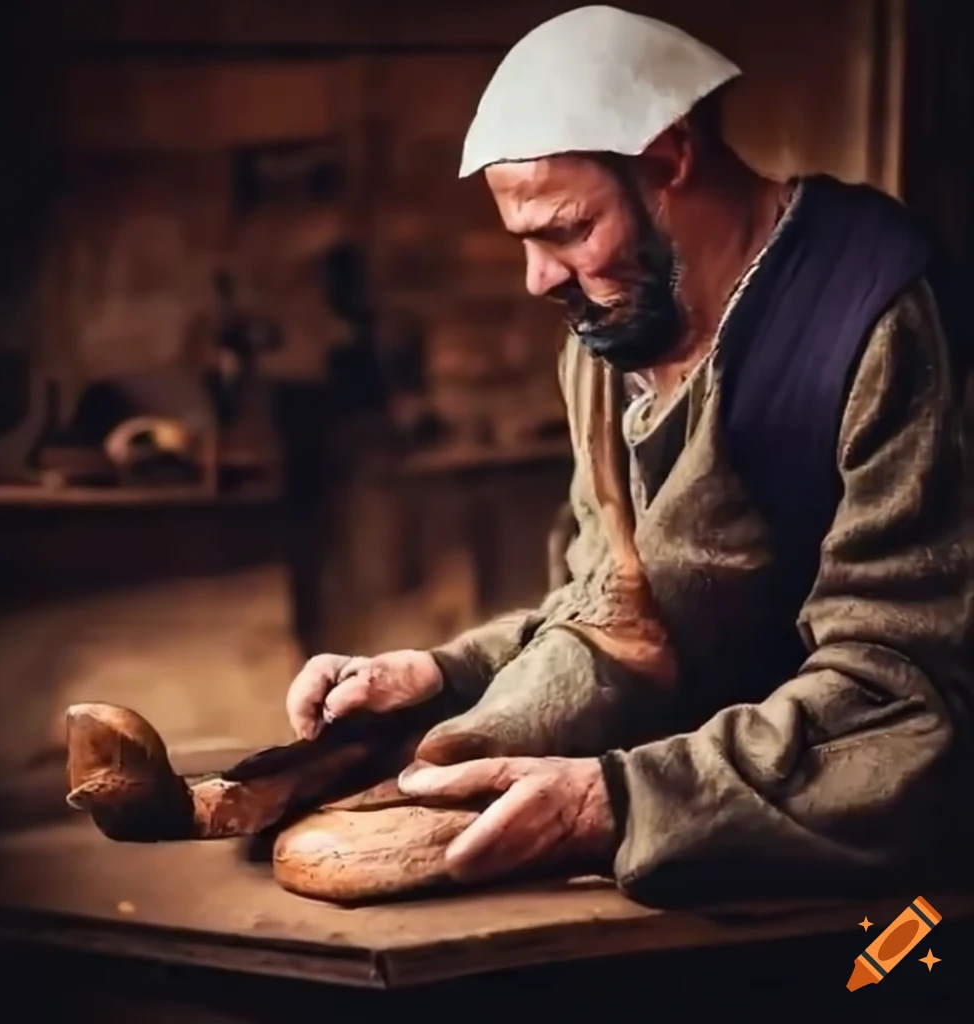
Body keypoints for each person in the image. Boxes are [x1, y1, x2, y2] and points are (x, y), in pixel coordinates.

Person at [285, 7, 974, 904]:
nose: (538, 278)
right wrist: (441, 675)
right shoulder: (609, 337)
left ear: (667, 159)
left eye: (566, 231)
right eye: (524, 242)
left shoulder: (878, 321)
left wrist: (611, 803)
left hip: (891, 904)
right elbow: (617, 603)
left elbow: (906, 698)